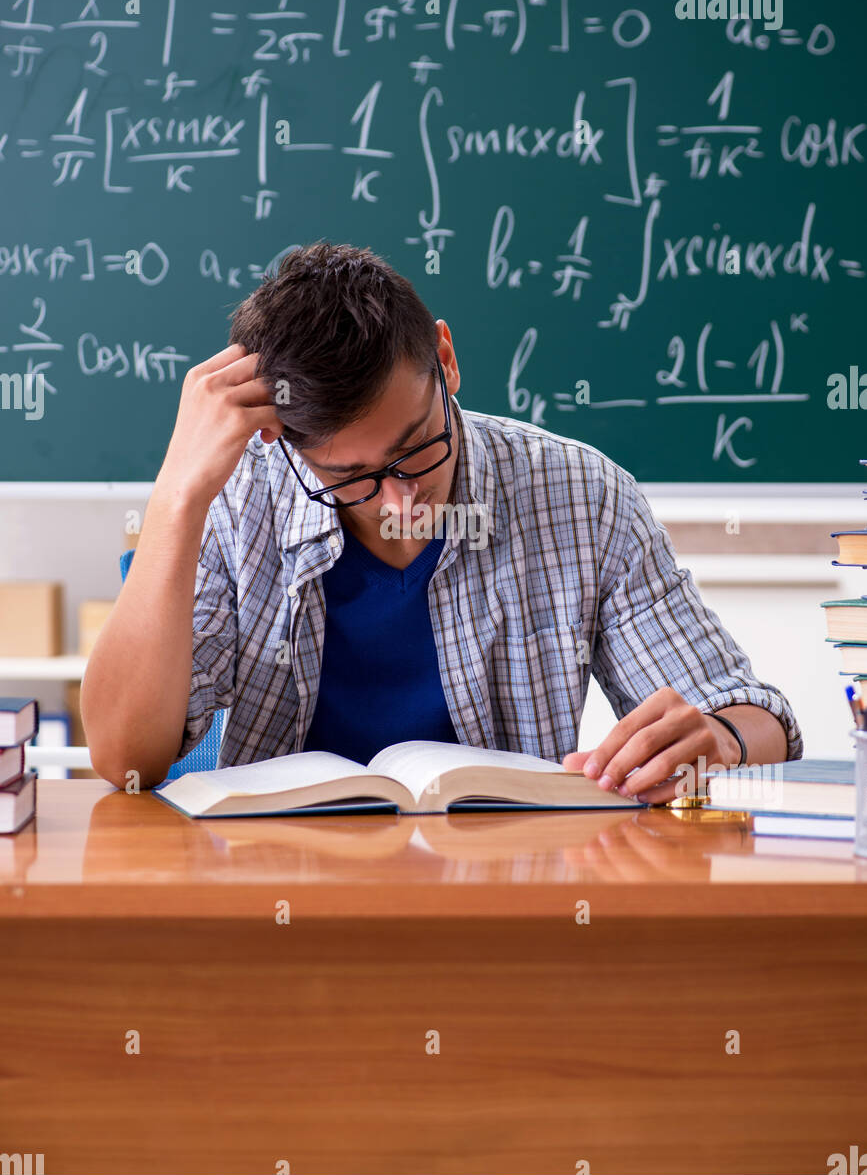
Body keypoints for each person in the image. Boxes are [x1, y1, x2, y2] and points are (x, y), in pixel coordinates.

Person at [82, 241, 801, 799]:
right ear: (284, 441)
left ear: (446, 360)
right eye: (349, 478)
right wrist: (177, 496)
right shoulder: (239, 499)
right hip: (280, 894)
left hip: (505, 892)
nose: (399, 503)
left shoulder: (581, 494)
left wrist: (715, 737)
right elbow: (123, 762)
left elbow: (755, 714)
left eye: (414, 450)